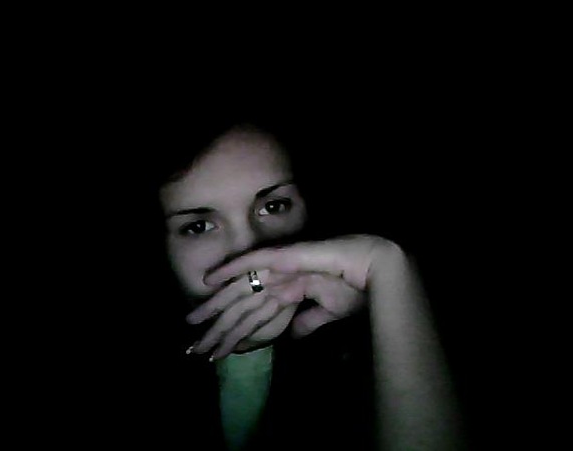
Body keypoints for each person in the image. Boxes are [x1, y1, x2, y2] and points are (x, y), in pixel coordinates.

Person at [156, 117, 465, 450]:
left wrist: (387, 271)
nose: (249, 249)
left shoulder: (377, 332)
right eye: (199, 227)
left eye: (273, 207)